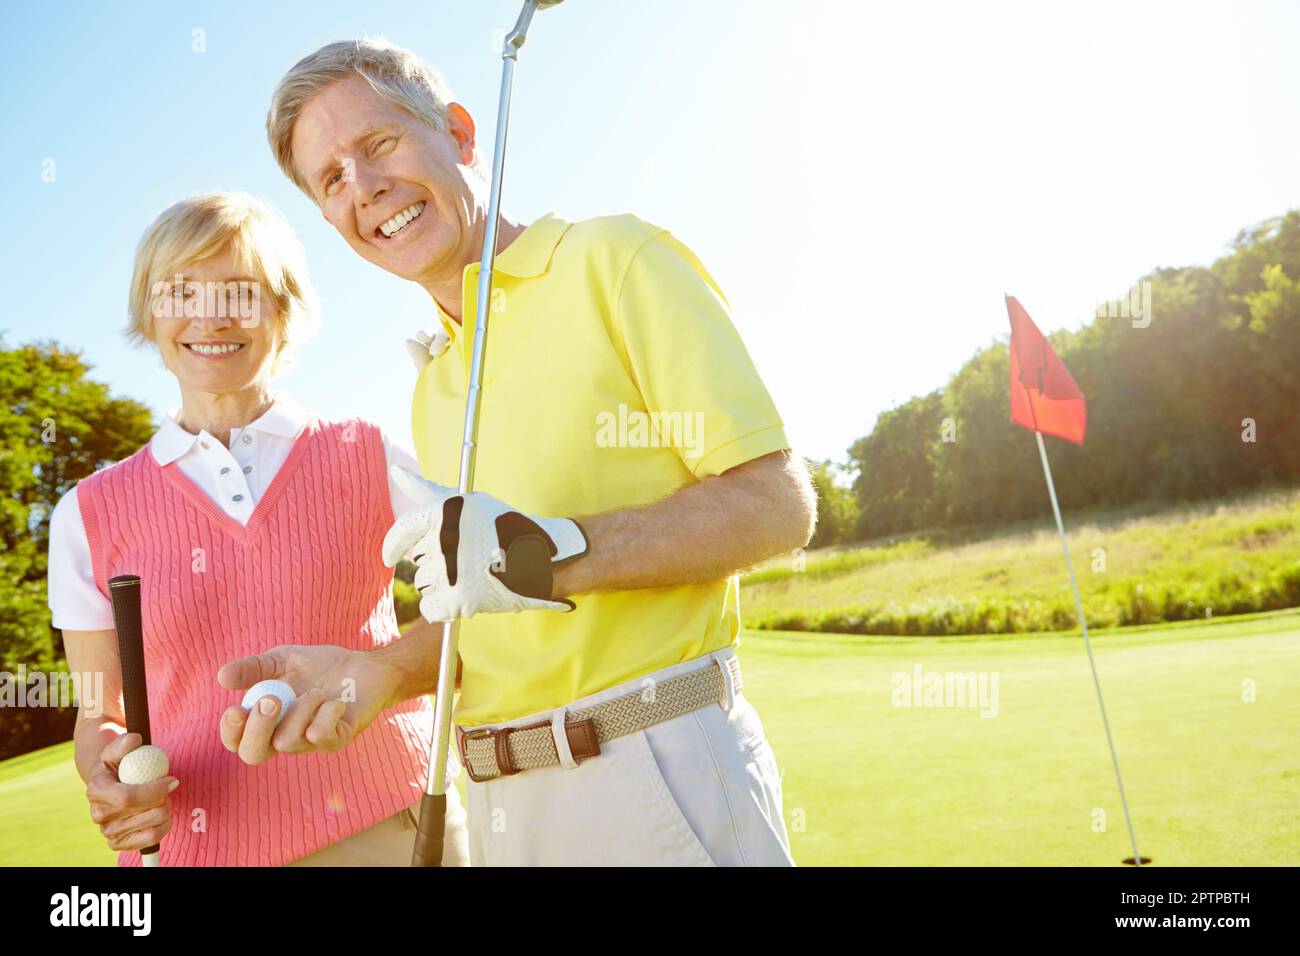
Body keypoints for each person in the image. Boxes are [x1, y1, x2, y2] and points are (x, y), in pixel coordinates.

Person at [261, 37, 816, 865]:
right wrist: (376, 672)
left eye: (378, 145)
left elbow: (777, 506)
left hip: (648, 768)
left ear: (457, 131)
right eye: (331, 179)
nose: (365, 188)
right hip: (498, 806)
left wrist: (543, 554)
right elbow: (494, 607)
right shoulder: (436, 381)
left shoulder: (616, 260)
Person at [48, 191, 468, 866]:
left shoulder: (373, 454)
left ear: (284, 310)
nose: (209, 317)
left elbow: (480, 608)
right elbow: (101, 710)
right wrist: (109, 772)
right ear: (150, 316)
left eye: (240, 292)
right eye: (179, 291)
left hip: (396, 826)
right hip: (195, 851)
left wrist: (388, 673)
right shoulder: (86, 513)